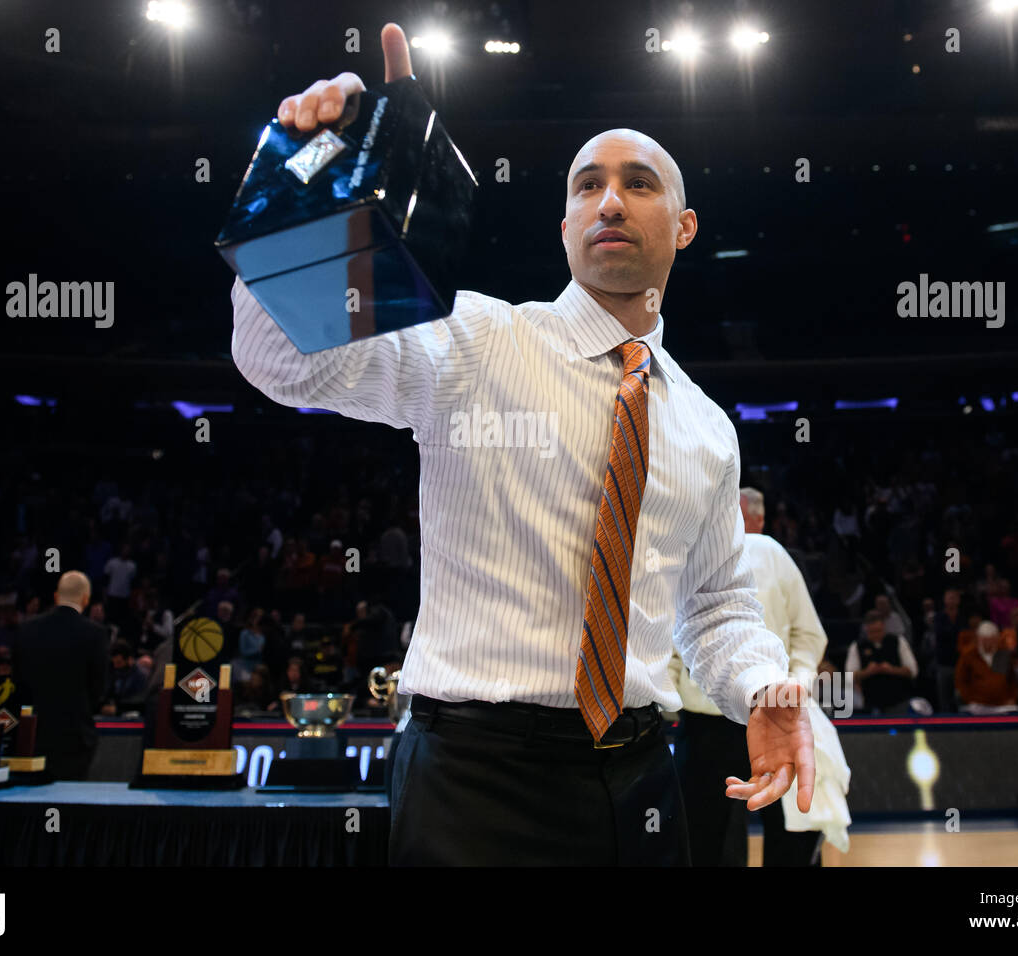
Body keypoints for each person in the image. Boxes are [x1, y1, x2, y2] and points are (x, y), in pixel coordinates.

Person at [232, 22, 814, 865]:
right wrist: (301, 177)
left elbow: (717, 607)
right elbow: (281, 359)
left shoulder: (705, 425)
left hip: (644, 777)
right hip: (475, 780)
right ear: (567, 225)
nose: (609, 201)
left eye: (638, 183)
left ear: (684, 228)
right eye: (587, 187)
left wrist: (761, 684)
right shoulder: (477, 339)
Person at [669, 487, 840, 866]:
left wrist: (794, 688)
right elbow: (675, 637)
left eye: (735, 512)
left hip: (774, 713)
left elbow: (809, 634)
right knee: (702, 837)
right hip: (704, 725)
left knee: (790, 834)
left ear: (759, 519)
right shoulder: (691, 555)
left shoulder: (772, 554)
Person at [12, 571, 110, 780]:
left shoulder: (26, 630)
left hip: (33, 734)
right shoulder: (96, 634)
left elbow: (18, 683)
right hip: (74, 735)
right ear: (86, 599)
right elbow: (98, 688)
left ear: (56, 596)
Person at [844, 610, 919, 715]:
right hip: (871, 703)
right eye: (871, 632)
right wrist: (868, 672)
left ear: (884, 627)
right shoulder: (857, 646)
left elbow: (913, 671)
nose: (875, 635)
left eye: (878, 631)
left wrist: (892, 670)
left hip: (899, 700)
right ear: (866, 629)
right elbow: (849, 676)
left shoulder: (898, 641)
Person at [954, 621, 1018, 714]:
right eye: (985, 639)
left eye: (991, 639)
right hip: (977, 706)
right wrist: (970, 700)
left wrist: (1012, 698)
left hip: (1003, 706)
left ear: (997, 639)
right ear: (979, 639)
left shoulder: (1002, 655)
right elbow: (961, 681)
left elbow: (1012, 680)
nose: (988, 643)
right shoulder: (969, 655)